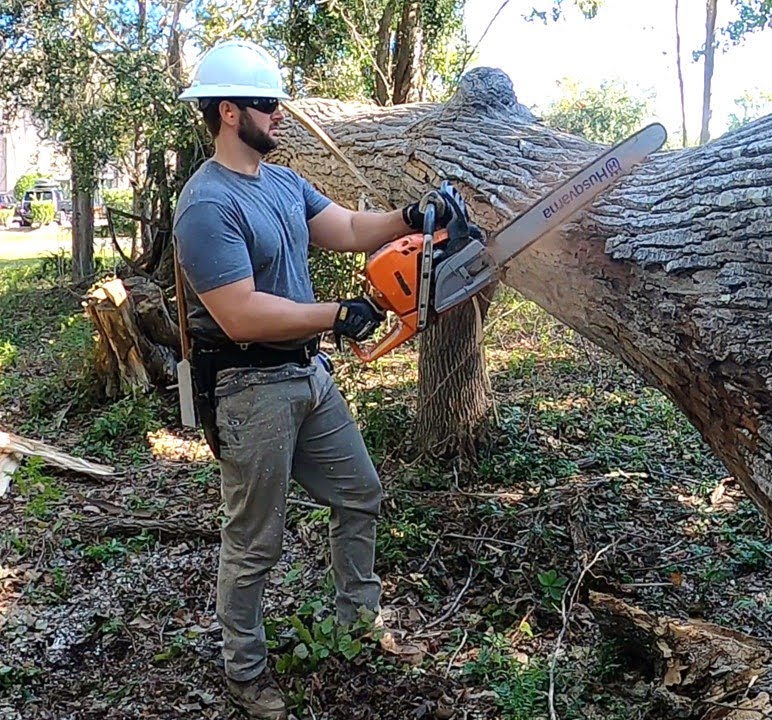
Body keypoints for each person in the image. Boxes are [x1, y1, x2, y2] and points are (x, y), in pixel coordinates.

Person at [173, 40, 429, 719]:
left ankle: (356, 624)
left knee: (360, 494)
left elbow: (346, 227)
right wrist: (336, 313)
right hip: (247, 389)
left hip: (307, 374)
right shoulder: (206, 204)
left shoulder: (283, 183)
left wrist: (409, 218)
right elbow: (239, 313)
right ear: (230, 112)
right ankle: (245, 670)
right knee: (255, 541)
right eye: (267, 104)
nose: (279, 114)